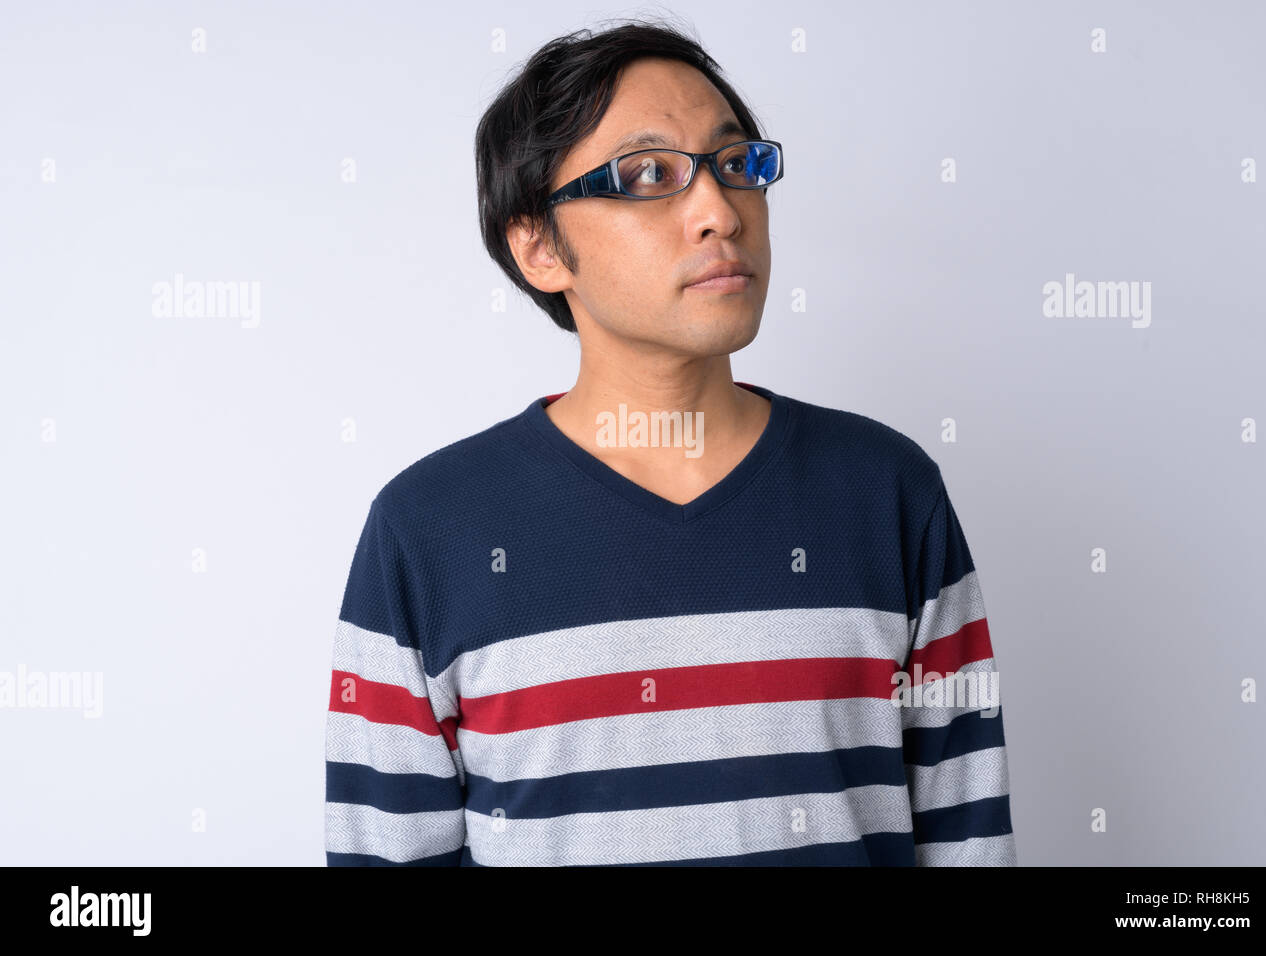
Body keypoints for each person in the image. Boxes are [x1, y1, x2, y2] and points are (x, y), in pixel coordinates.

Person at [324, 18, 1016, 866]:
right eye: (649, 174)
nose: (720, 213)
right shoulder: (428, 530)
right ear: (539, 246)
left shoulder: (888, 492)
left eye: (736, 165)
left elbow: (968, 838)